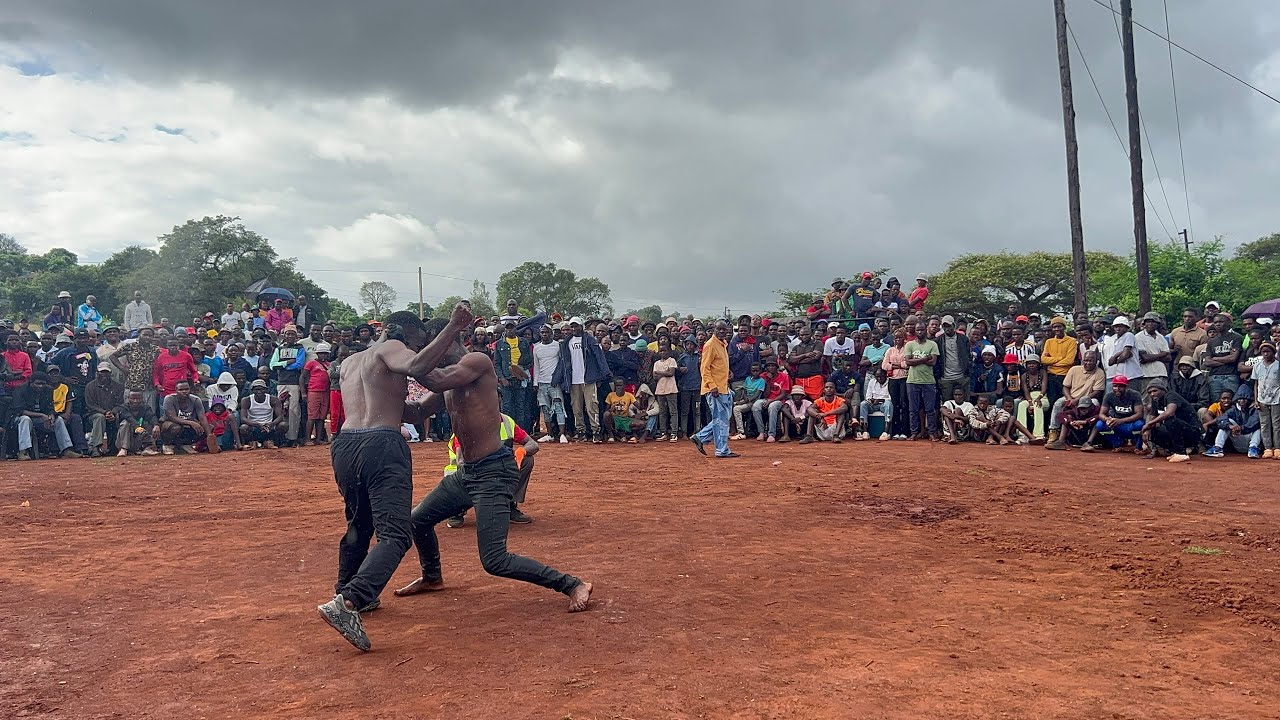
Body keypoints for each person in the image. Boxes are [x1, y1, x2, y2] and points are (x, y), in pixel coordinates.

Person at [390, 317, 591, 622]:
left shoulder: (476, 362)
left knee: (494, 559)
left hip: (494, 472)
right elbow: (417, 412)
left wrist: (403, 364)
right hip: (467, 474)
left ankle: (573, 584)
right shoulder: (450, 381)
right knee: (417, 521)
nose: (423, 352)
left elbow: (430, 374)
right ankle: (433, 577)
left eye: (428, 344)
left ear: (447, 339)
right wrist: (380, 394)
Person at [316, 305, 475, 652]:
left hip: (346, 446)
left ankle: (345, 589)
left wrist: (447, 392)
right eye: (419, 341)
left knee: (359, 524)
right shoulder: (391, 347)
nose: (418, 349)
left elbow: (413, 413)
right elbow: (418, 367)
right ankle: (349, 602)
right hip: (381, 444)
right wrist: (453, 327)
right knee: (396, 534)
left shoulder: (351, 362)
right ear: (405, 333)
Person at [554, 316, 609, 443]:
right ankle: (581, 432)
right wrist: (557, 379)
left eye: (576, 326)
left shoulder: (590, 340)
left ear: (581, 326)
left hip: (588, 379)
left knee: (592, 406)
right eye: (572, 326)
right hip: (573, 380)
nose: (574, 328)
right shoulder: (566, 342)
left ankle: (596, 432)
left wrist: (604, 373)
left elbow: (599, 357)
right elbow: (563, 362)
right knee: (576, 408)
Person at [690, 321, 738, 458]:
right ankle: (721, 450)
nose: (722, 332)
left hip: (723, 387)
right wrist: (712, 386)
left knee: (722, 419)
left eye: (724, 329)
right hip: (715, 389)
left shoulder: (722, 344)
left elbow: (717, 366)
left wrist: (727, 372)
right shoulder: (711, 345)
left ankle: (700, 437)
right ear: (714, 330)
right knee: (721, 419)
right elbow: (704, 368)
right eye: (719, 329)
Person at [12, 372, 80, 459]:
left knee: (58, 420)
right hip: (19, 419)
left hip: (40, 419)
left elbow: (50, 407)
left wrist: (51, 415)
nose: (40, 386)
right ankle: (23, 451)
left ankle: (66, 449)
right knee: (25, 419)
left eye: (43, 384)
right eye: (38, 383)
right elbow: (20, 411)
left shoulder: (48, 390)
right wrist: (41, 415)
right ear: (31, 382)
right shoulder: (21, 389)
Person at [1047, 350, 1105, 449]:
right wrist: (1069, 398)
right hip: (1072, 396)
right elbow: (1065, 387)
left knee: (1095, 403)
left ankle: (1090, 438)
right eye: (1086, 360)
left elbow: (1097, 392)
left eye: (1091, 360)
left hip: (1088, 399)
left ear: (1096, 361)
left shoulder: (1100, 372)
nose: (1088, 362)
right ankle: (1054, 431)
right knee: (1058, 403)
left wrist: (1078, 400)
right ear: (1082, 360)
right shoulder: (1074, 369)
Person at [1081, 375, 1145, 453]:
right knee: (1100, 425)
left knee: (1140, 424)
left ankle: (1138, 447)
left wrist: (1121, 421)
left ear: (1126, 387)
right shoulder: (1109, 396)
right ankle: (1118, 445)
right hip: (1116, 424)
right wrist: (1108, 420)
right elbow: (1101, 414)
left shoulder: (1135, 394)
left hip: (1130, 425)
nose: (1117, 389)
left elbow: (1139, 414)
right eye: (1115, 386)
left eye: (1120, 386)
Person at [1140, 377, 1197, 462]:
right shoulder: (1155, 400)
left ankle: (1181, 453)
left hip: (1193, 432)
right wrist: (1147, 429)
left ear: (1163, 390)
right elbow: (1152, 418)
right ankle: (1172, 451)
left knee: (1170, 420)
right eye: (1150, 392)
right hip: (1177, 432)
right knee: (1153, 429)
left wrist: (1148, 424)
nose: (1152, 394)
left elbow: (1169, 413)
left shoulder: (1171, 395)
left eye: (1155, 391)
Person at [531, 324, 568, 443]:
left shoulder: (557, 346)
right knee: (545, 408)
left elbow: (562, 364)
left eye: (546, 332)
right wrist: (535, 382)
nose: (544, 334)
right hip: (542, 382)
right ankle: (550, 434)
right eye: (542, 332)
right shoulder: (536, 348)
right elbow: (536, 366)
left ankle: (562, 434)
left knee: (558, 407)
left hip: (554, 383)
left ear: (551, 333)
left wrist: (557, 379)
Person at [1204, 385, 1261, 458]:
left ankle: (1253, 449)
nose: (1242, 401)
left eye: (1245, 399)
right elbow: (1221, 419)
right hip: (1237, 439)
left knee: (1259, 427)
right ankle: (1218, 448)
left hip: (1250, 438)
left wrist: (1240, 429)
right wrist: (1230, 426)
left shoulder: (1254, 409)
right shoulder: (1234, 408)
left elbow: (1253, 422)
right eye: (1240, 399)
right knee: (1227, 422)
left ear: (1249, 400)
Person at [903, 327, 940, 441]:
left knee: (930, 409)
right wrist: (925, 359)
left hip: (928, 380)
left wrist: (916, 361)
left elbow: (933, 362)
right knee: (913, 409)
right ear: (915, 331)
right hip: (912, 380)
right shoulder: (909, 345)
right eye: (918, 330)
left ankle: (932, 433)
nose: (920, 332)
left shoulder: (932, 344)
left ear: (926, 330)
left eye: (922, 329)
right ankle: (914, 432)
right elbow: (908, 362)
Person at [85, 363, 125, 457]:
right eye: (102, 372)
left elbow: (120, 404)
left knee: (119, 417)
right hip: (93, 415)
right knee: (100, 417)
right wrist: (104, 412)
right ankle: (96, 447)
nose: (104, 375)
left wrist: (113, 412)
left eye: (106, 372)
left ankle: (114, 447)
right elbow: (90, 405)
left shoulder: (118, 387)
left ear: (110, 373)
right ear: (97, 373)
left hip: (112, 413)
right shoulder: (90, 386)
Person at [160, 381, 209, 455]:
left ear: (190, 389)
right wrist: (191, 423)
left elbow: (202, 417)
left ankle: (186, 444)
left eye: (186, 389)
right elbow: (172, 417)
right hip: (170, 424)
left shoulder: (196, 400)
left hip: (187, 425)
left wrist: (209, 435)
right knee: (176, 428)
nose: (184, 392)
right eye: (181, 390)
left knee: (205, 427)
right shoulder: (169, 399)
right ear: (176, 390)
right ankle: (167, 445)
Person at [1250, 341, 1280, 458]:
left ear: (1274, 352)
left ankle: (1277, 448)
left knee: (1276, 424)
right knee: (1264, 424)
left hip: (1277, 398)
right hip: (1262, 398)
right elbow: (1256, 384)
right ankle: (1267, 448)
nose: (1266, 354)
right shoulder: (1257, 366)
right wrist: (1256, 399)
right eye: (1263, 352)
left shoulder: (1278, 365)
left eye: (1268, 351)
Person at [301, 342, 333, 444]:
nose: (323, 355)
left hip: (325, 392)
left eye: (325, 353)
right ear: (317, 354)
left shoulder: (329, 365)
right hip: (313, 391)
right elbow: (303, 377)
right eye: (321, 353)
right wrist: (303, 392)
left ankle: (319, 439)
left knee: (321, 417)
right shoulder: (311, 363)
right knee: (312, 416)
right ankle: (307, 439)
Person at [113, 390, 160, 456]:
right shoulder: (122, 408)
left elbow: (152, 416)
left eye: (138, 398)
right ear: (128, 398)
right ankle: (123, 449)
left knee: (149, 423)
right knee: (125, 423)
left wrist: (156, 425)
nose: (135, 401)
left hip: (139, 439)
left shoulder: (145, 408)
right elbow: (129, 418)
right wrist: (137, 427)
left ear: (142, 398)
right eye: (133, 398)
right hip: (125, 439)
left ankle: (147, 447)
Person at [240, 379, 284, 449]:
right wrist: (257, 425)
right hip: (254, 427)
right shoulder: (246, 400)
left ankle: (273, 442)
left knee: (283, 425)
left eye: (261, 389)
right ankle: (252, 442)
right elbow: (243, 418)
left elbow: (280, 416)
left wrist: (271, 424)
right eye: (256, 389)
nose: (259, 391)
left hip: (269, 426)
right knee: (243, 428)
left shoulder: (273, 399)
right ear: (252, 390)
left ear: (266, 389)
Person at [1101, 316, 1141, 391]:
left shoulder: (1129, 335)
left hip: (1132, 376)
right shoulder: (1116, 340)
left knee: (1133, 399)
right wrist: (1119, 354)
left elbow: (1124, 355)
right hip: (1121, 377)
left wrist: (1120, 357)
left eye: (1121, 326)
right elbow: (1110, 362)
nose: (1118, 329)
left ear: (1126, 327)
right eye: (1116, 327)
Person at [652, 338, 680, 442]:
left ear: (669, 351)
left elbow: (671, 373)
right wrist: (664, 371)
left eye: (665, 350)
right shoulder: (656, 363)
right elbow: (655, 377)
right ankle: (663, 432)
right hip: (660, 389)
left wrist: (660, 373)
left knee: (673, 411)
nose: (663, 352)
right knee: (662, 412)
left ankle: (674, 432)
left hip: (671, 388)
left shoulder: (672, 360)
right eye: (661, 351)